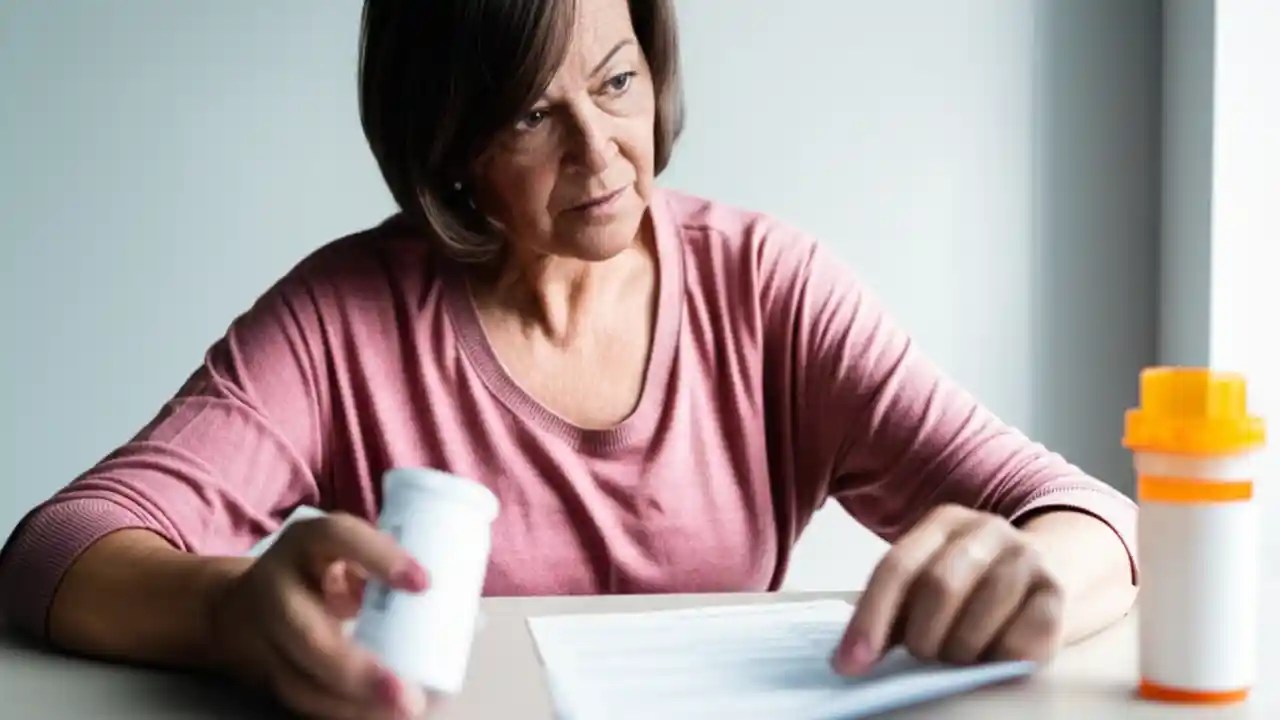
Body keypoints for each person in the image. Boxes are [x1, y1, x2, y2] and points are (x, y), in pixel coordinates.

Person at [0, 0, 1139, 718]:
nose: (600, 154)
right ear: (446, 150)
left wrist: (1035, 577)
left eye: (614, 81)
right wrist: (232, 612)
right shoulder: (341, 319)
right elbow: (60, 548)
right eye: (527, 118)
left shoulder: (767, 288)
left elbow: (1085, 515)